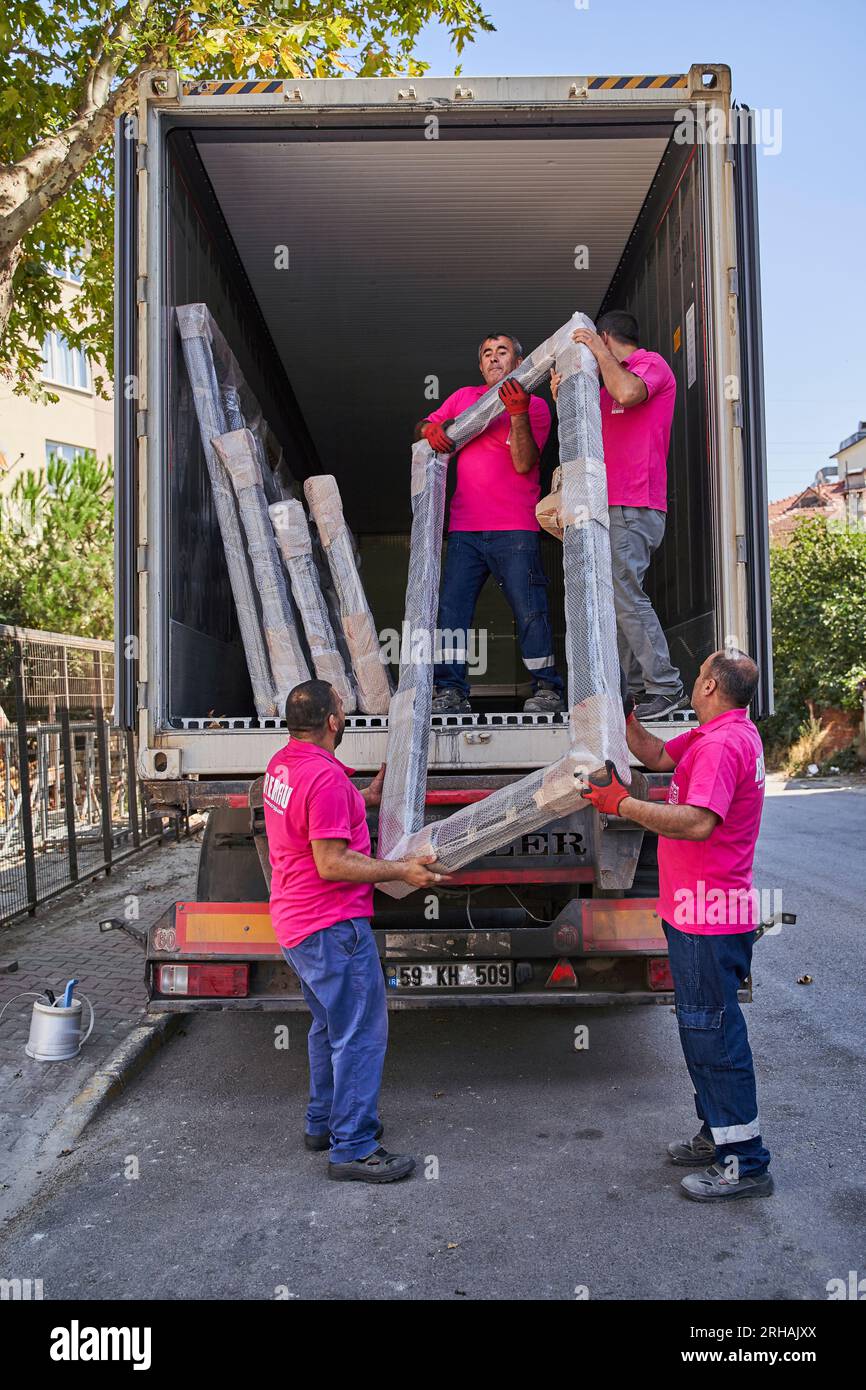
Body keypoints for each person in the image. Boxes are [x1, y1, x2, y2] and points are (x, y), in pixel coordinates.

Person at [579, 649, 773, 1203]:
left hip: (708, 917)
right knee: (702, 1030)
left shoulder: (721, 745)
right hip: (699, 913)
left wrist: (623, 803)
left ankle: (746, 1163)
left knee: (714, 1034)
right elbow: (660, 756)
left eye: (697, 676)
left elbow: (696, 822)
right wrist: (628, 724)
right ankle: (719, 1134)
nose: (691, 682)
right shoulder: (726, 731)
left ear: (710, 684)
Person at [263, 679, 448, 1184]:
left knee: (329, 1027)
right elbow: (331, 861)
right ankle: (354, 1147)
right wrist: (402, 870)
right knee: (361, 1034)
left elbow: (313, 820)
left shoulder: (285, 763)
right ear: (331, 721)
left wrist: (362, 796)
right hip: (330, 926)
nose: (345, 713)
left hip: (297, 922)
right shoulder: (322, 779)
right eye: (342, 707)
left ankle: (323, 1123)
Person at [418, 332, 565, 715]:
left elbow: (523, 462)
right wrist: (427, 429)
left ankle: (547, 688)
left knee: (529, 610)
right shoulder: (463, 398)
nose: (494, 358)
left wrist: (516, 413)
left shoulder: (532, 405)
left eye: (502, 352)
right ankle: (449, 692)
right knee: (451, 611)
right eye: (486, 353)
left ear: (518, 363)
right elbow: (424, 425)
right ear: (480, 365)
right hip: (465, 529)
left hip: (514, 529)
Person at [553, 311, 685, 720]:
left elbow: (629, 393)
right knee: (614, 599)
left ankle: (665, 686)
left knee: (625, 595)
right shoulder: (607, 381)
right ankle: (627, 692)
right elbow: (586, 426)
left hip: (635, 504)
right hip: (610, 505)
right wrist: (564, 396)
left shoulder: (649, 365)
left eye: (596, 342)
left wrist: (595, 348)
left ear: (605, 337)